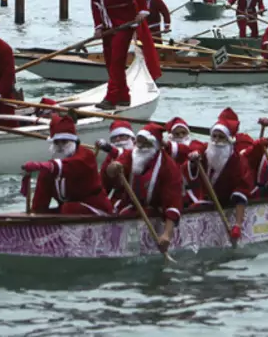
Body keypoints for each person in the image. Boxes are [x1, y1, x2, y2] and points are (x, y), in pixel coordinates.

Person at [83, 0, 151, 110]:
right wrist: (98, 26)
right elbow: (94, 4)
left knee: (116, 61)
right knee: (109, 61)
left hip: (123, 23)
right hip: (107, 25)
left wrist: (143, 10)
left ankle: (111, 97)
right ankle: (123, 96)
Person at [104, 123, 183, 252]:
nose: (140, 147)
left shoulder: (169, 166)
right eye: (138, 143)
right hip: (130, 206)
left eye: (145, 144)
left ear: (155, 146)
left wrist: (167, 234)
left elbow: (173, 201)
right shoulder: (131, 155)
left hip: (156, 210)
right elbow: (114, 169)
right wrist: (113, 167)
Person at [23, 115, 114, 216]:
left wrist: (42, 166)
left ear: (73, 142)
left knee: (68, 208)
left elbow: (70, 166)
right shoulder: (49, 169)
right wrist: (34, 215)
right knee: (46, 213)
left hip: (96, 209)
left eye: (64, 141)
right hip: (70, 211)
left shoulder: (86, 156)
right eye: (57, 142)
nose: (60, 146)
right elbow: (40, 202)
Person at [184, 108, 253, 240]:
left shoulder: (238, 162)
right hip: (204, 201)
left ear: (229, 140)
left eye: (221, 137)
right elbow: (194, 146)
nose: (216, 141)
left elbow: (242, 192)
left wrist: (237, 225)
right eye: (214, 136)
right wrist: (194, 158)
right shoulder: (205, 151)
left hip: (228, 204)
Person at [96, 120, 137, 208]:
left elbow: (126, 156)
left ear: (132, 139)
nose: (117, 140)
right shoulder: (110, 157)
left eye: (122, 136)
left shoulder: (138, 153)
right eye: (114, 138)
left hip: (138, 198)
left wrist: (111, 150)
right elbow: (103, 185)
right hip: (119, 198)